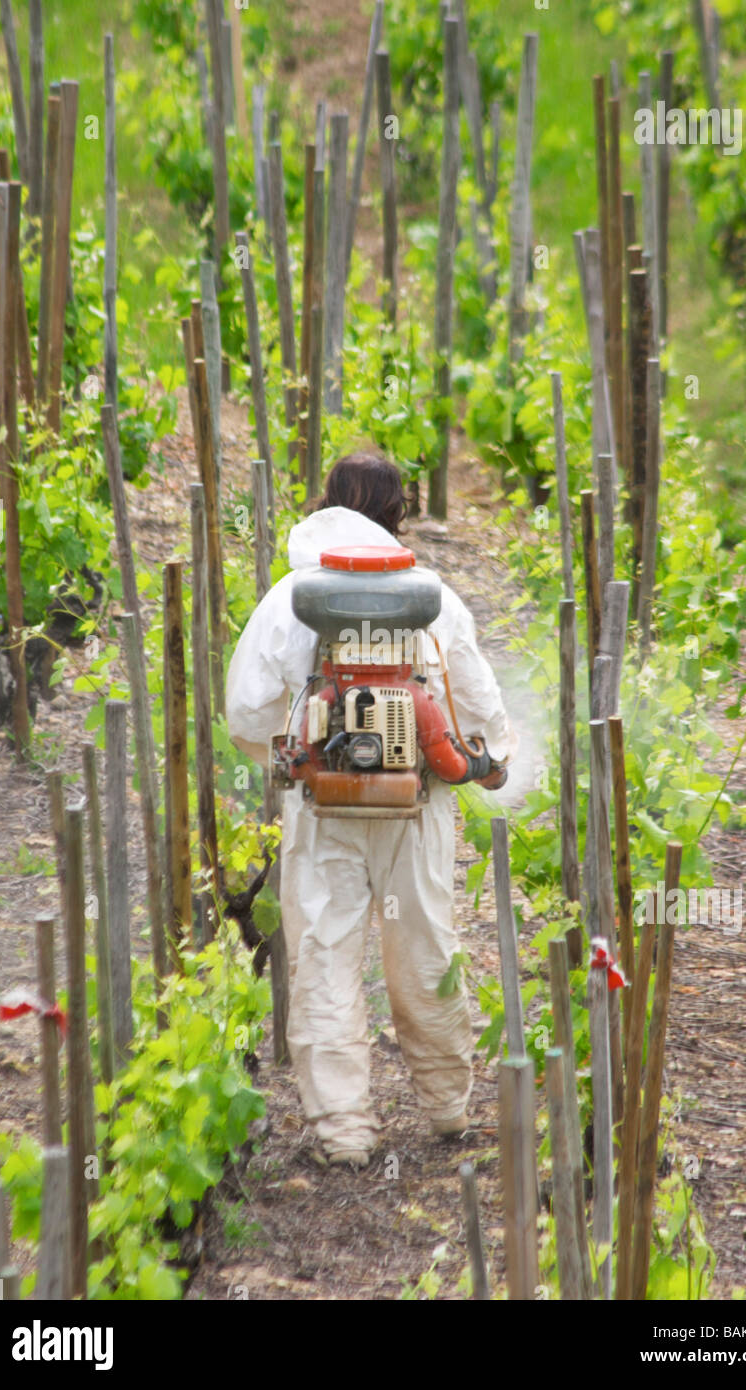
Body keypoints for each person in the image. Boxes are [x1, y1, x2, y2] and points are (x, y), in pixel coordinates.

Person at [226, 451, 517, 1167]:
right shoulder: (435, 599)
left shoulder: (292, 598)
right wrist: (488, 756)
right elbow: (478, 702)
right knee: (423, 945)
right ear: (397, 516)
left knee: (324, 955)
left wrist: (290, 755)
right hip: (415, 807)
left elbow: (244, 708)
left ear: (326, 502)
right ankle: (447, 1106)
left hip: (323, 809)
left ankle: (343, 1131)